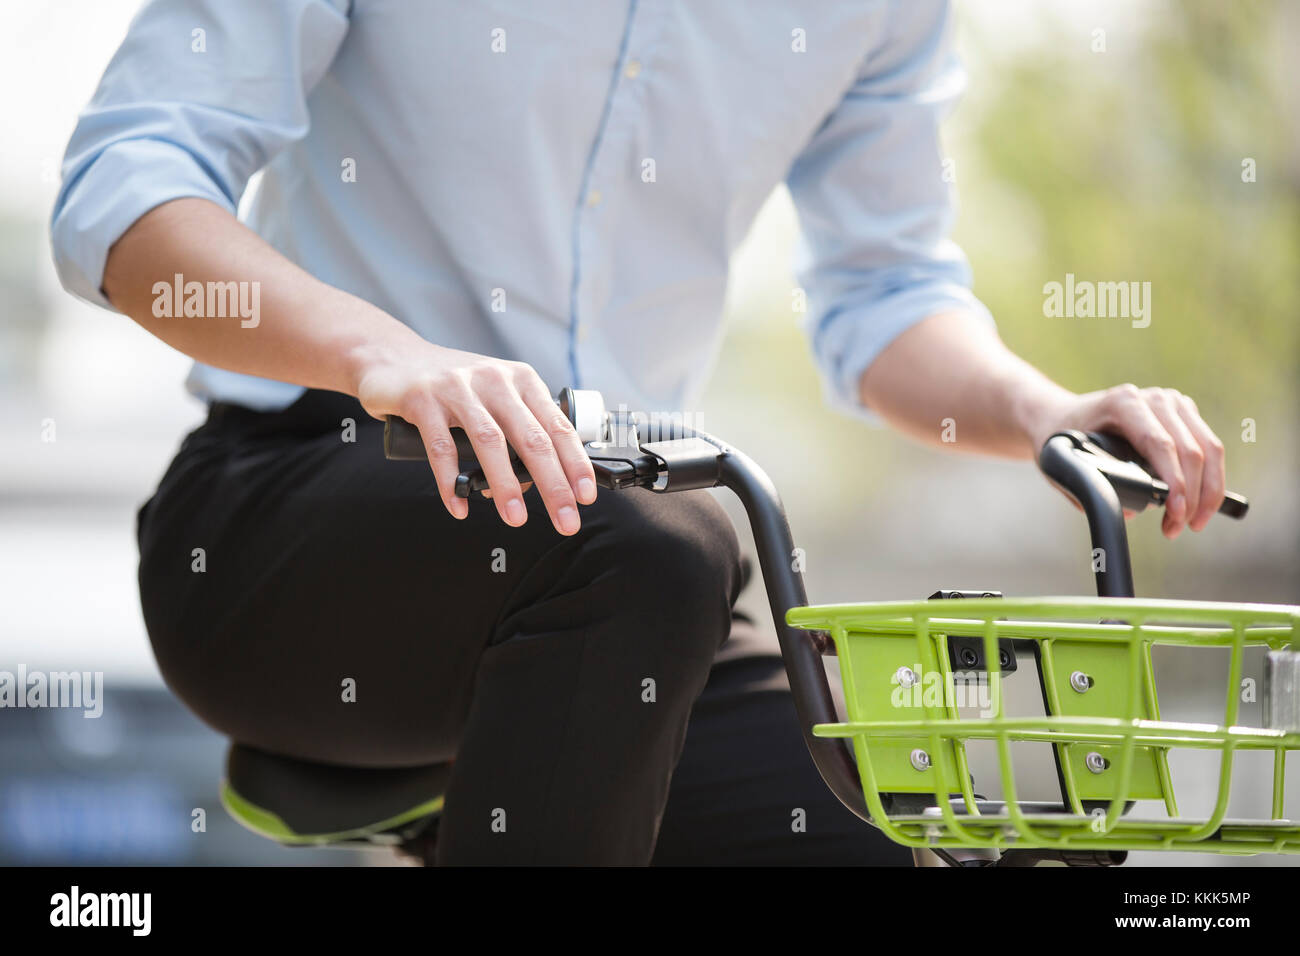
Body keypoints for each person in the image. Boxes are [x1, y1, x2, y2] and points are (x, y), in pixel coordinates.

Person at [50, 0, 1228, 865]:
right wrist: (383, 355)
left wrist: (1046, 412)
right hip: (298, 513)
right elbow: (127, 183)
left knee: (848, 849)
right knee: (656, 543)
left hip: (632, 581)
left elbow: (885, 297)